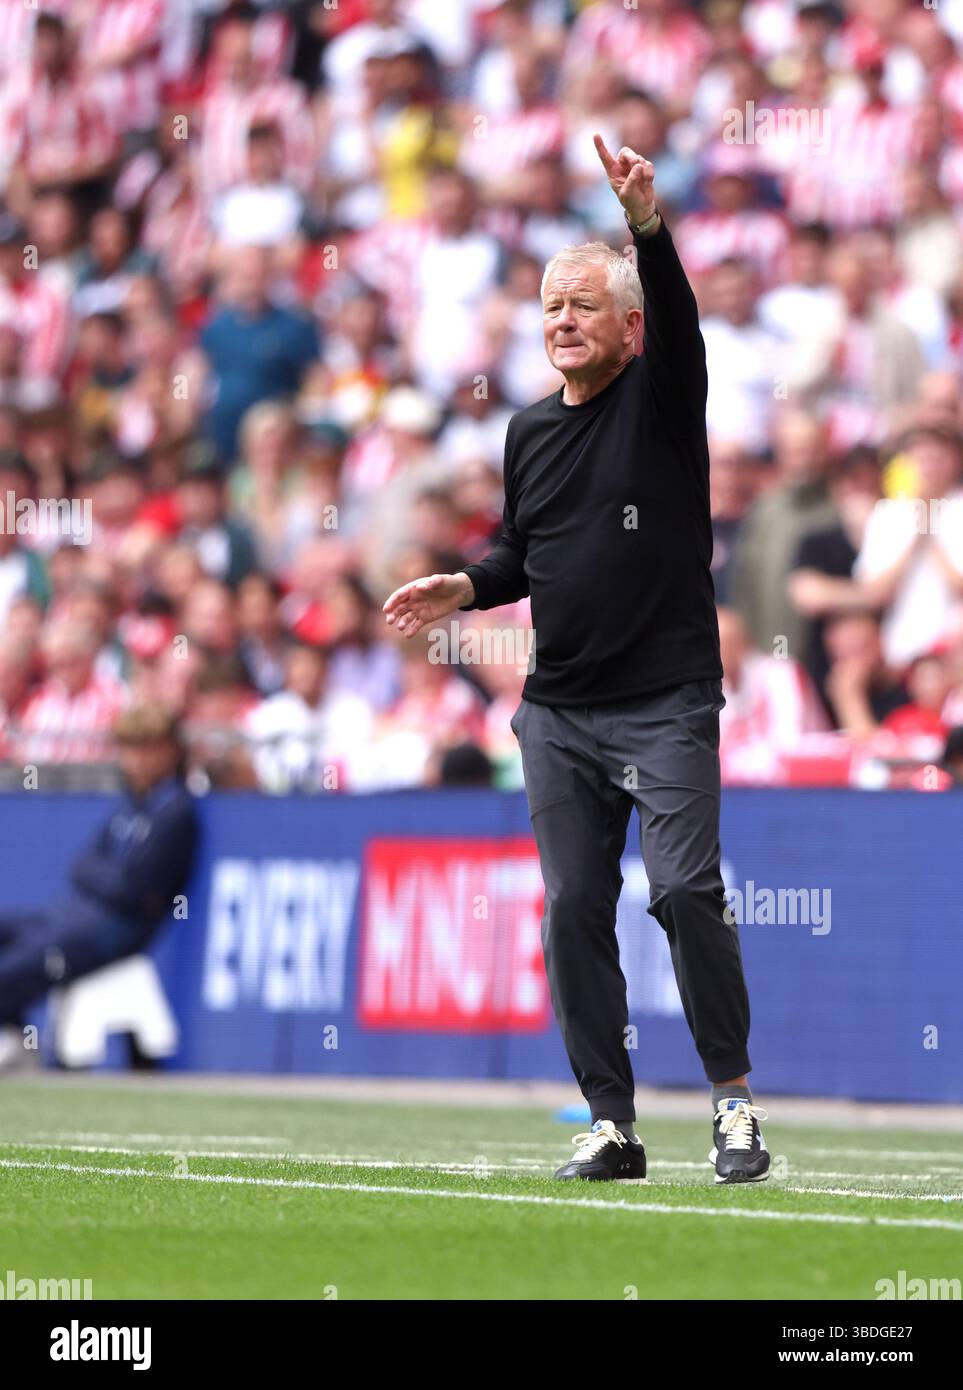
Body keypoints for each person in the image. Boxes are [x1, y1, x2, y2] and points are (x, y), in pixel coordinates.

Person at [383, 136, 769, 1185]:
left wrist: (645, 221)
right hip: (558, 712)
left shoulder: (661, 397)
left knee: (687, 892)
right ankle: (613, 1120)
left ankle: (733, 1102)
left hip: (666, 702)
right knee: (570, 908)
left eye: (584, 305)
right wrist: (463, 585)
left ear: (630, 328)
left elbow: (681, 320)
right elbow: (524, 547)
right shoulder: (526, 430)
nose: (560, 319)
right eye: (551, 305)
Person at [0, 704, 198, 1050]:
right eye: (129, 749)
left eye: (144, 748)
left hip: (115, 932)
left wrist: (104, 878)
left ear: (169, 751)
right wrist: (108, 878)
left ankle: (15, 1043)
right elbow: (82, 865)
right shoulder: (130, 804)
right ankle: (14, 1035)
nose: (134, 760)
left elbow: (133, 888)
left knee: (22, 963)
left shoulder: (175, 812)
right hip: (75, 916)